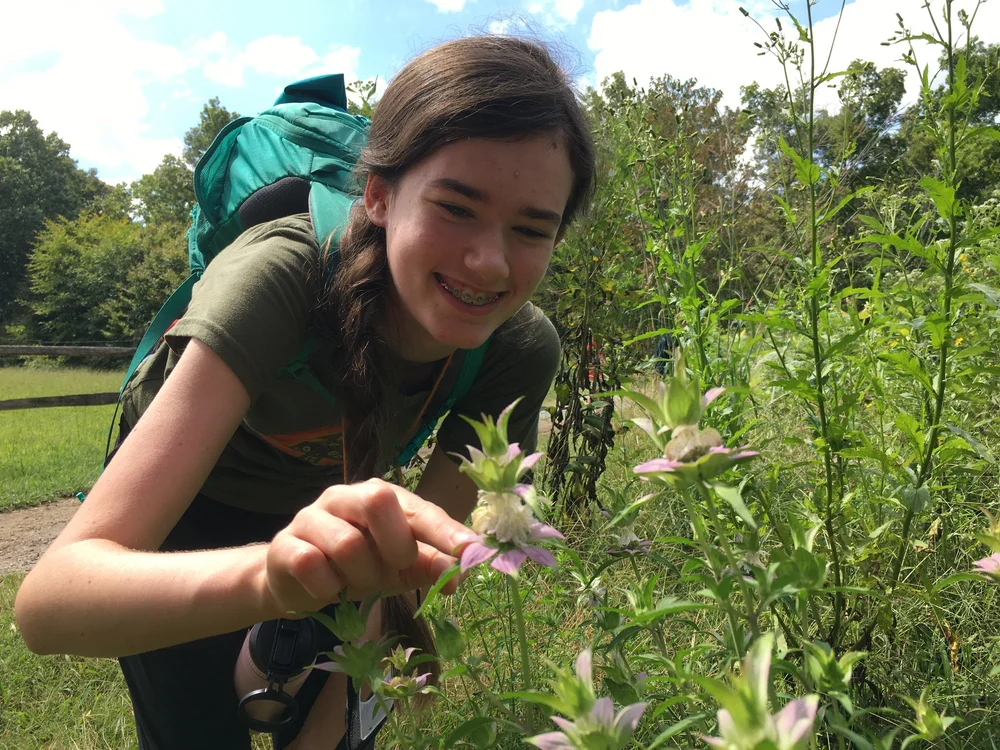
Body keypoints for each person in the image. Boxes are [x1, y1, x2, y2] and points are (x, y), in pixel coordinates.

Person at [14, 34, 595, 750]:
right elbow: (50, 607)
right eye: (456, 207)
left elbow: (414, 572)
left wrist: (334, 723)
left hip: (337, 515)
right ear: (378, 195)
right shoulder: (278, 277)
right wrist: (273, 581)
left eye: (532, 229)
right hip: (189, 512)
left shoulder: (519, 350)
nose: (489, 260)